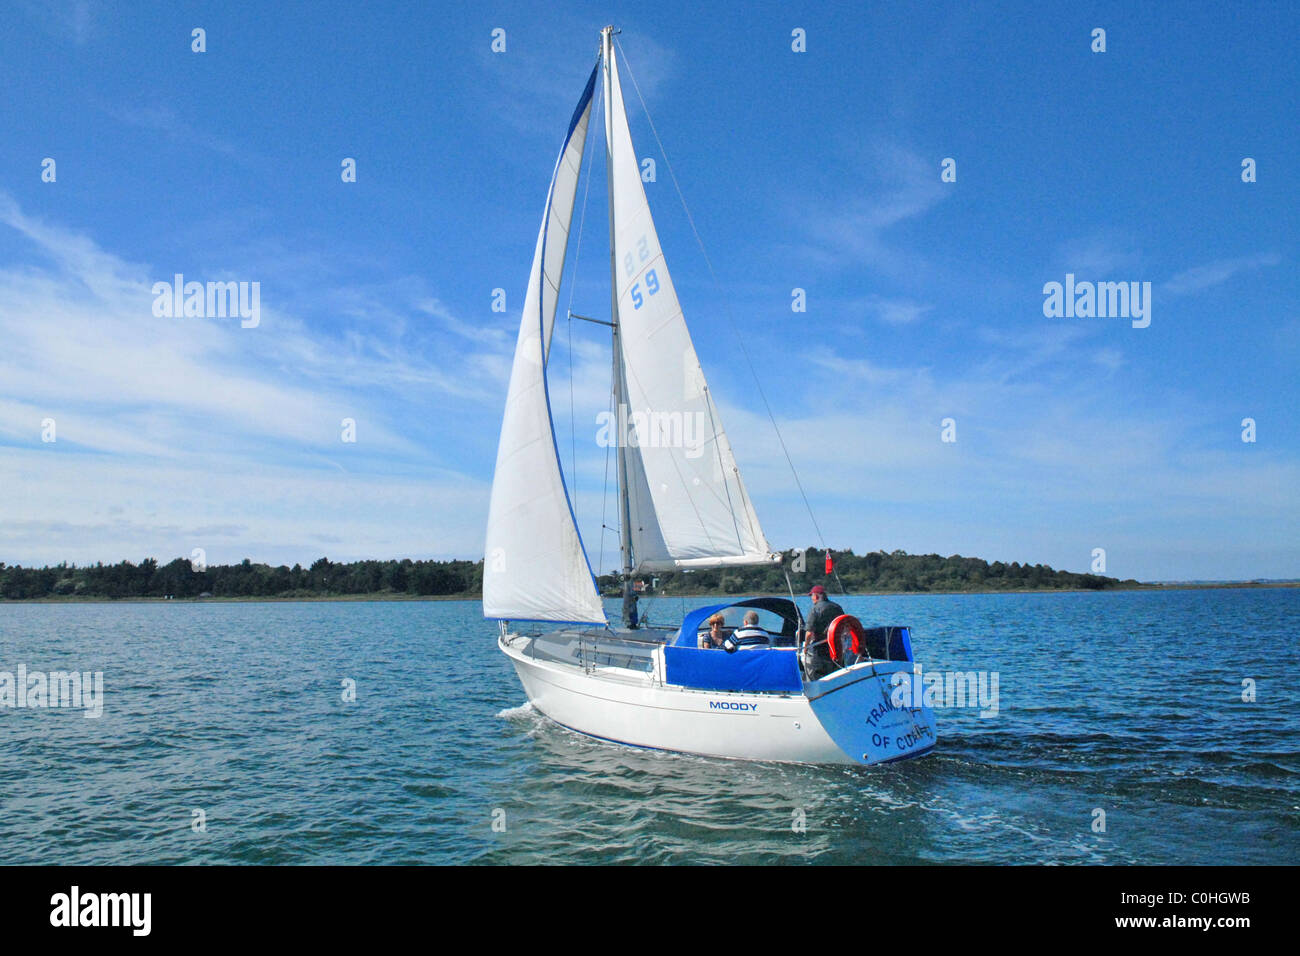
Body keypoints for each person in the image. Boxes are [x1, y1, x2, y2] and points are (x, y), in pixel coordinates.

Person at [802, 585, 844, 679]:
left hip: (819, 649)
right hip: (836, 646)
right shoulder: (837, 607)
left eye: (811, 596)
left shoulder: (815, 609)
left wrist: (805, 648)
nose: (812, 599)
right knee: (835, 673)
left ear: (816, 596)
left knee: (817, 674)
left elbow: (809, 633)